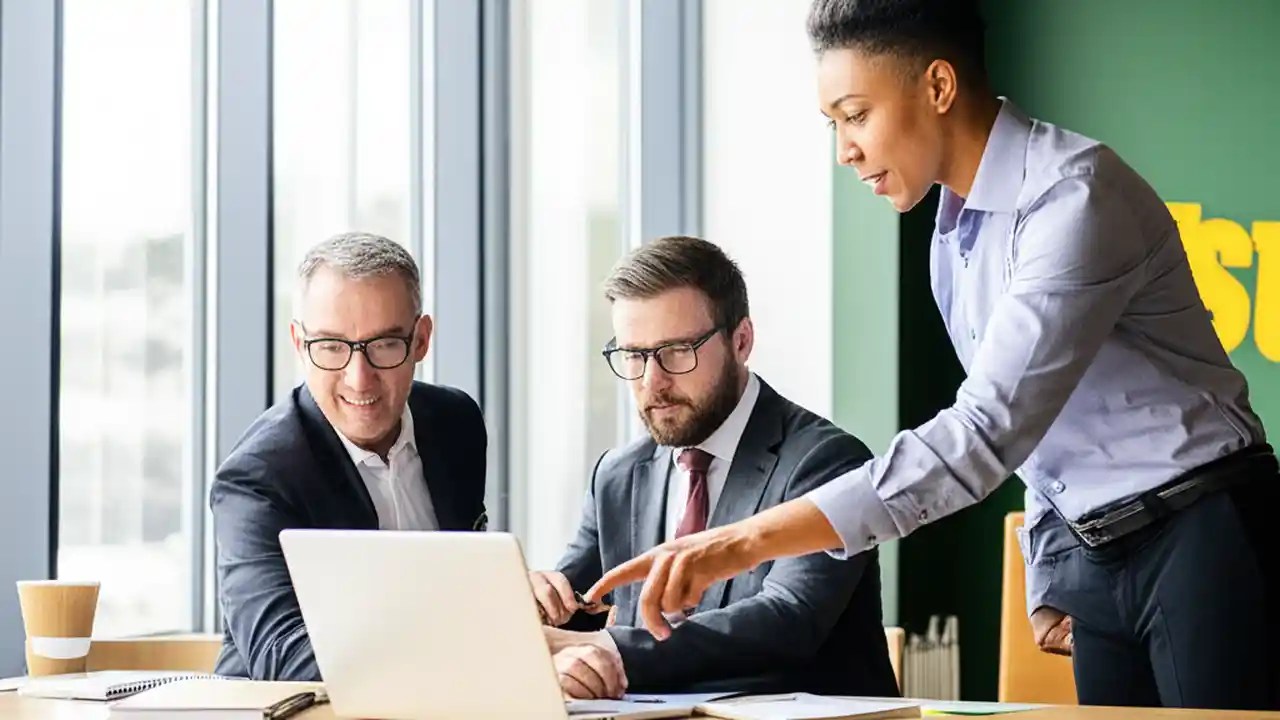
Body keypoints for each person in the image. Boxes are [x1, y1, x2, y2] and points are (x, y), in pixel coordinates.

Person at [587, 0, 1278, 710]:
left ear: (939, 88)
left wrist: (738, 544)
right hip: (1097, 555)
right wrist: (1052, 564)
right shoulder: (953, 235)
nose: (844, 151)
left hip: (1201, 529)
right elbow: (1034, 422)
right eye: (834, 125)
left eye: (855, 115)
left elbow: (985, 430)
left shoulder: (1076, 197)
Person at [534, 236, 898, 700]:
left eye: (677, 352)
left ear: (741, 341)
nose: (653, 382)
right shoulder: (617, 475)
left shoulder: (824, 462)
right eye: (634, 355)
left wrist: (608, 647)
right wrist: (538, 606)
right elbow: (574, 609)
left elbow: (785, 621)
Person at [210, 232, 487, 681]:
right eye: (332, 347)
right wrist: (479, 645)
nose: (359, 379)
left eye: (383, 345)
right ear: (300, 343)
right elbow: (284, 658)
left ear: (421, 340)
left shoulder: (456, 422)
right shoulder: (258, 478)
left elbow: (460, 581)